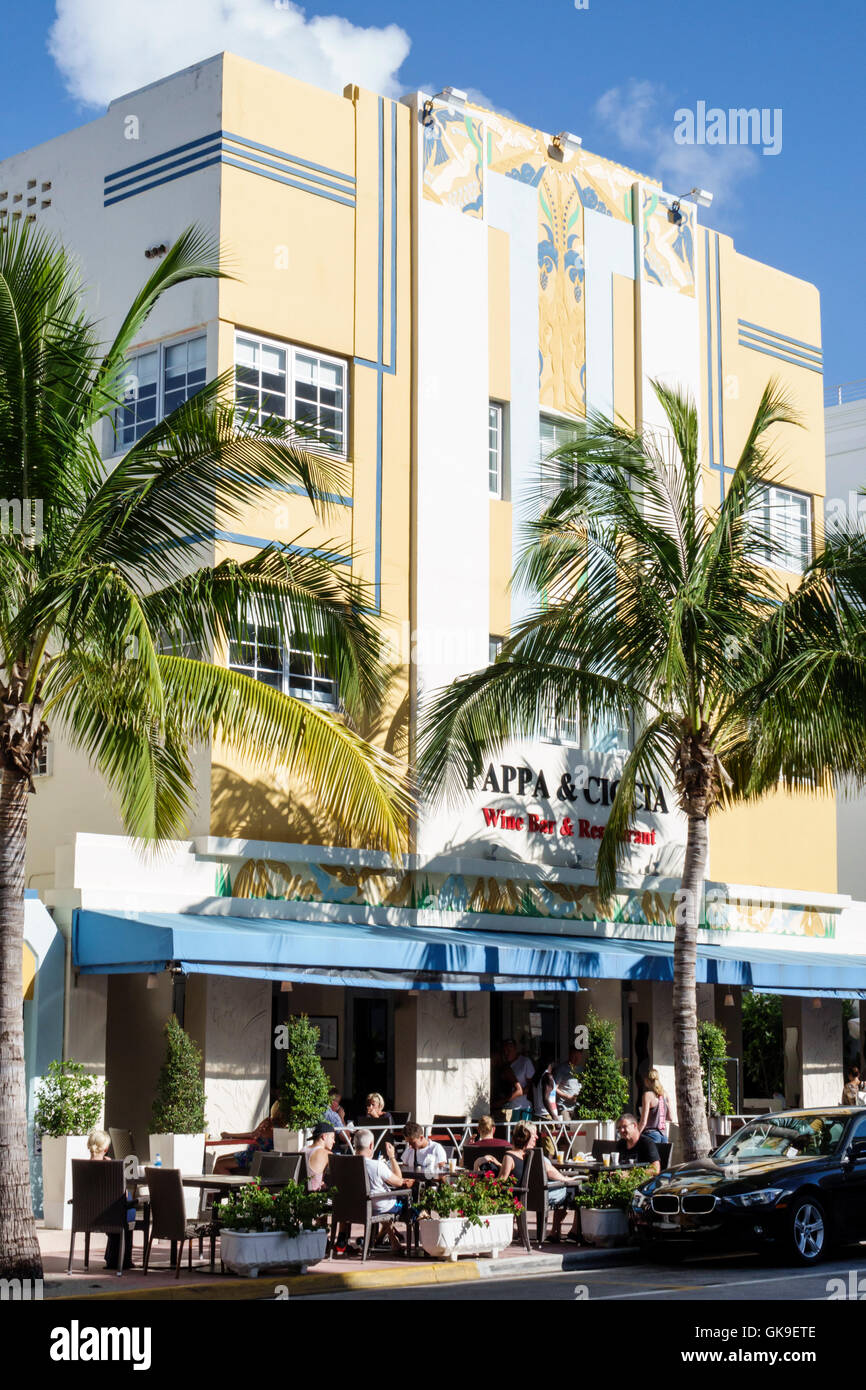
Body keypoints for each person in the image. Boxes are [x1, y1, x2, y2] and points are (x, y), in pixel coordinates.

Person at [497, 1122, 582, 1241]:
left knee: (571, 1188)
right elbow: (549, 1171)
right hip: (538, 1196)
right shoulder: (534, 1155)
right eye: (534, 1135)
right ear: (525, 1136)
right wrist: (565, 1179)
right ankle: (569, 1231)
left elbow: (504, 1177)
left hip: (524, 1195)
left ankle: (558, 1231)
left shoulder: (512, 1156)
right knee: (575, 1189)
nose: (537, 1137)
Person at [354, 1129, 413, 1253]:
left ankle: (386, 1239)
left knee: (383, 1203)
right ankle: (391, 1239)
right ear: (371, 1145)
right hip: (381, 1206)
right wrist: (392, 1156)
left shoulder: (345, 1162)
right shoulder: (376, 1165)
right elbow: (399, 1180)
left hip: (357, 1206)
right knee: (405, 1199)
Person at [87, 1129, 135, 1271]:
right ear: (106, 1149)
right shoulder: (111, 1166)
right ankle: (124, 1259)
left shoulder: (82, 1166)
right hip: (111, 1214)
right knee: (129, 1205)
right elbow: (123, 1193)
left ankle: (112, 1257)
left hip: (89, 1214)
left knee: (121, 1208)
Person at [214, 1104, 286, 1174]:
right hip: (260, 1158)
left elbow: (253, 1135)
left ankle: (231, 1185)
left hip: (252, 1157)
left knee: (219, 1165)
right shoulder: (284, 1128)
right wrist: (230, 1135)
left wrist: (229, 1135)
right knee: (219, 1158)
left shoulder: (268, 1122)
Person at [638, 1068, 675, 1144]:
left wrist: (636, 1134)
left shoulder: (647, 1095)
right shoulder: (665, 1094)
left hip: (651, 1134)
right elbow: (670, 1117)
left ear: (646, 1080)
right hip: (663, 1135)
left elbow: (643, 1121)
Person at [304, 1121, 336, 1191]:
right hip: (315, 1198)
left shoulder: (303, 1149)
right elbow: (338, 1176)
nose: (334, 1141)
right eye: (332, 1137)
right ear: (324, 1136)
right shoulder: (326, 1154)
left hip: (300, 1194)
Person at [554, 1048, 585, 1114]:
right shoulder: (562, 1068)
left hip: (577, 1107)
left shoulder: (581, 1069)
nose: (576, 1059)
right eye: (575, 1056)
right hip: (564, 1107)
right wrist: (568, 1097)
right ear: (570, 1055)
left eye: (579, 1057)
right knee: (567, 1124)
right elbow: (554, 1088)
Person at [532, 1055, 560, 1120]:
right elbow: (546, 1098)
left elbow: (530, 1097)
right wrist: (554, 1117)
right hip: (547, 1116)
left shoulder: (536, 1077)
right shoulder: (548, 1077)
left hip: (537, 1115)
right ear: (550, 1064)